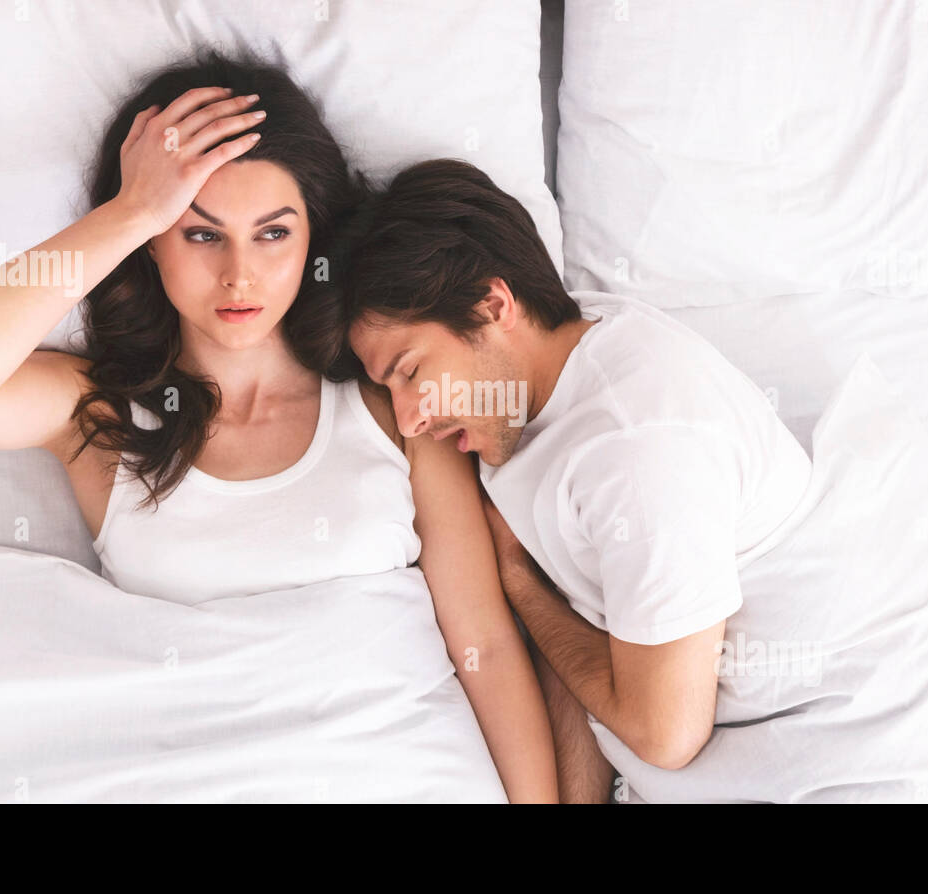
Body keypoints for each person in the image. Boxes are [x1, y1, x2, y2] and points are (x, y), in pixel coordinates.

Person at [0, 51, 556, 803]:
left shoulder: (390, 404)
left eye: (274, 234)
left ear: (313, 237)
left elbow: (483, 642)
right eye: (201, 235)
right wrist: (134, 209)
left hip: (405, 771)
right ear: (153, 244)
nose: (240, 275)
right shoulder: (103, 414)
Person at [340, 158, 814, 803]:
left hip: (829, 756)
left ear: (494, 305)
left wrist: (519, 580)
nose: (408, 418)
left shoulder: (637, 448)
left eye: (410, 370)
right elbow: (580, 645)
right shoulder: (547, 371)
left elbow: (665, 733)